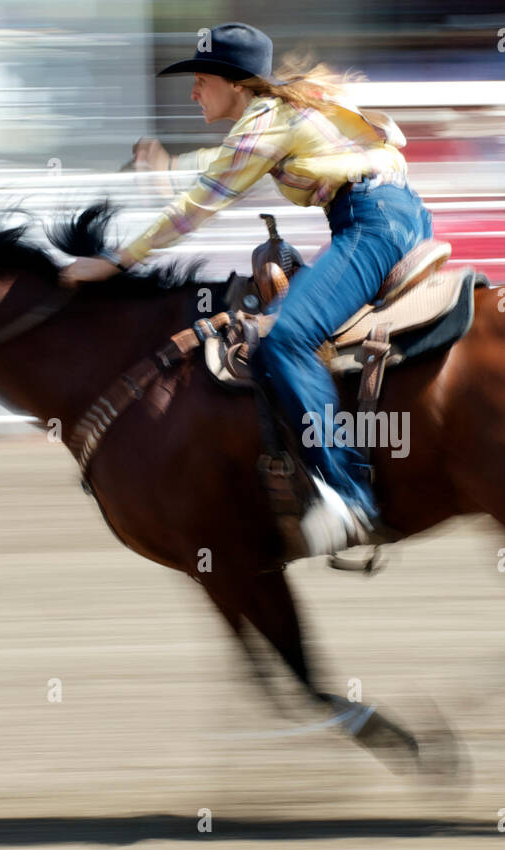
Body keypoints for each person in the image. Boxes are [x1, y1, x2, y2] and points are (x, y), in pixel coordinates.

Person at [61, 22, 434, 554]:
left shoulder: (266, 121)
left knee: (286, 339)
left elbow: (199, 204)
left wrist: (115, 263)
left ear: (236, 85)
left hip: (371, 224)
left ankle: (349, 497)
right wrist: (169, 167)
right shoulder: (273, 115)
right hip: (391, 216)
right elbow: (225, 164)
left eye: (202, 79)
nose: (192, 91)